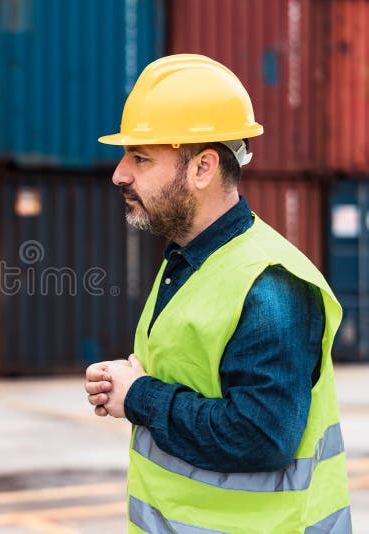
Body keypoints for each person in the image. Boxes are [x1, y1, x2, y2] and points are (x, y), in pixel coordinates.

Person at [85, 54, 352, 533]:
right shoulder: (189, 260)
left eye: (141, 158)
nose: (119, 173)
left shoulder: (270, 284)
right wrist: (128, 384)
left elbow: (261, 435)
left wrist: (142, 397)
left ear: (203, 167)